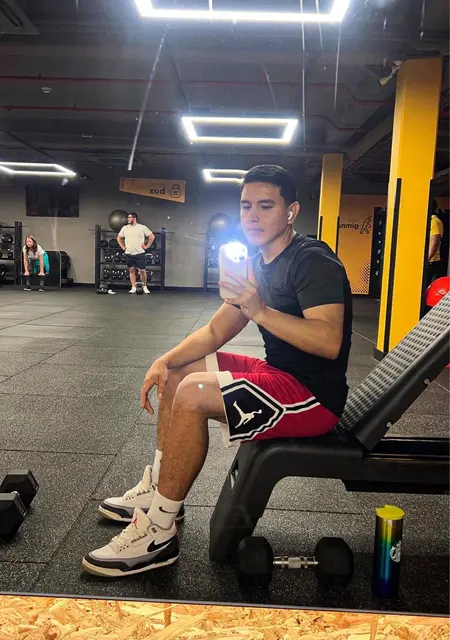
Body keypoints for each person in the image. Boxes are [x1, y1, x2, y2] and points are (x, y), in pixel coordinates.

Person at [82, 165, 353, 578]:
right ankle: (162, 489)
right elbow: (214, 331)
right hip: (278, 373)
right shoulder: (257, 263)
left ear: (291, 211)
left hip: (313, 398)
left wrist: (260, 310)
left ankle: (159, 533)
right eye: (246, 207)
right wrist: (164, 360)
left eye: (266, 206)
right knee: (179, 373)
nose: (252, 217)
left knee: (193, 393)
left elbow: (329, 340)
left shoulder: (312, 261)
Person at [118, 213, 154, 294]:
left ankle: (145, 286)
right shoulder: (125, 228)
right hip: (129, 253)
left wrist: (146, 246)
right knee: (131, 270)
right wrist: (123, 247)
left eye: (129, 217)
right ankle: (133, 287)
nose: (127, 219)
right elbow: (119, 238)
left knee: (142, 270)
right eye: (127, 217)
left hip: (139, 253)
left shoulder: (142, 227)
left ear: (134, 218)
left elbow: (152, 237)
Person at [427, 201, 444, 287]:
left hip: (431, 261)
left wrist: (426, 260)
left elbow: (434, 243)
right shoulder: (428, 221)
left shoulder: (434, 221)